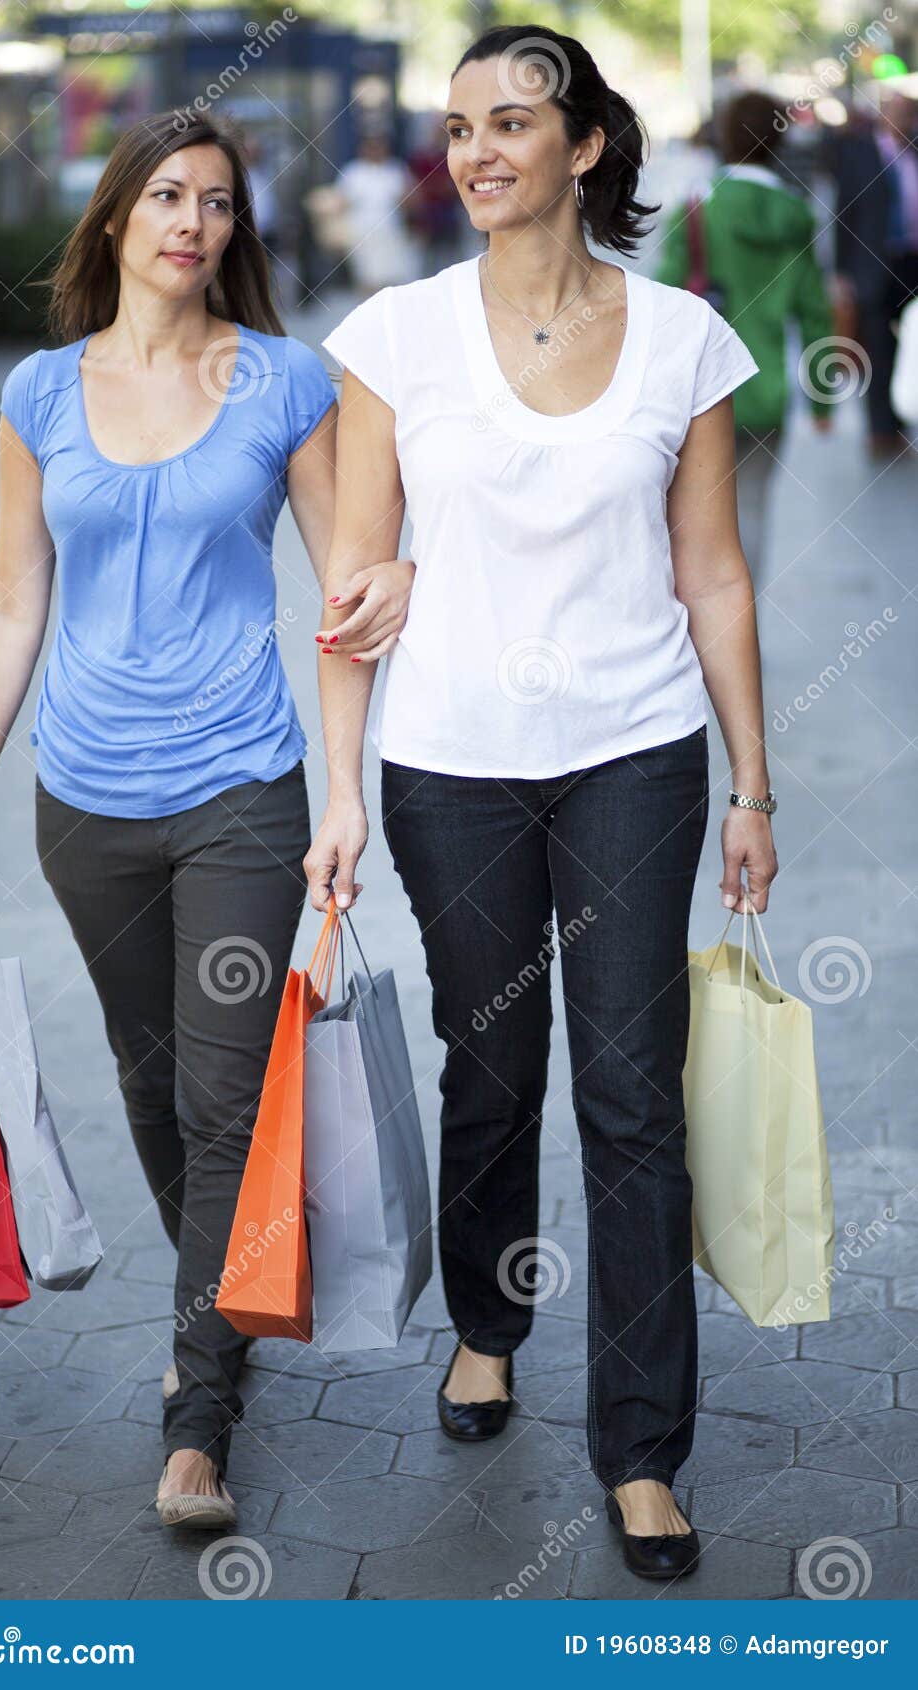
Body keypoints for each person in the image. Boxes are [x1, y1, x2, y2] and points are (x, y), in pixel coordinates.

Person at [306, 26, 778, 1582]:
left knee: (632, 1097)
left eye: (513, 121)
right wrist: (341, 797)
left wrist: (750, 786)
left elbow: (710, 571)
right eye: (458, 127)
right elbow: (354, 581)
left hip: (634, 751)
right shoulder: (393, 337)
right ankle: (486, 1321)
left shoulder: (681, 342)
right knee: (490, 1063)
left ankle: (641, 1449)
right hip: (448, 759)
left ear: (585, 146)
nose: (477, 149)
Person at [0, 111, 414, 1532]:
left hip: (240, 791)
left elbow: (341, 601)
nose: (192, 221)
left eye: (217, 203)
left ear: (232, 233)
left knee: (224, 1097)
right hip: (83, 801)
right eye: (168, 197)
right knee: (152, 1090)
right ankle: (226, 1302)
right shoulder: (40, 393)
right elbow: (14, 601)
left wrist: (339, 788)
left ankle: (198, 1406)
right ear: (118, 216)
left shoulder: (279, 381)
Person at [657, 91, 834, 582]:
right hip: (767, 387)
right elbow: (815, 309)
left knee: (692, 511)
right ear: (778, 141)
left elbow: (666, 297)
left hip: (697, 388)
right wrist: (824, 403)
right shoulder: (795, 214)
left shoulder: (696, 206)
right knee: (752, 508)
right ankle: (742, 629)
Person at [821, 91, 918, 457]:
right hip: (876, 265)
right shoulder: (859, 154)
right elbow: (843, 216)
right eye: (897, 112)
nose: (903, 120)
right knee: (879, 345)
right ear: (883, 115)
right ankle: (882, 429)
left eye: (909, 113)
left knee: (910, 344)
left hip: (912, 259)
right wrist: (842, 273)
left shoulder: (914, 151)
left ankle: (905, 413)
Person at [334, 131, 419, 295]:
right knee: (367, 278)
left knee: (393, 277)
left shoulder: (395, 169)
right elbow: (340, 202)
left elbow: (411, 200)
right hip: (362, 233)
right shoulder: (353, 172)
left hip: (391, 232)